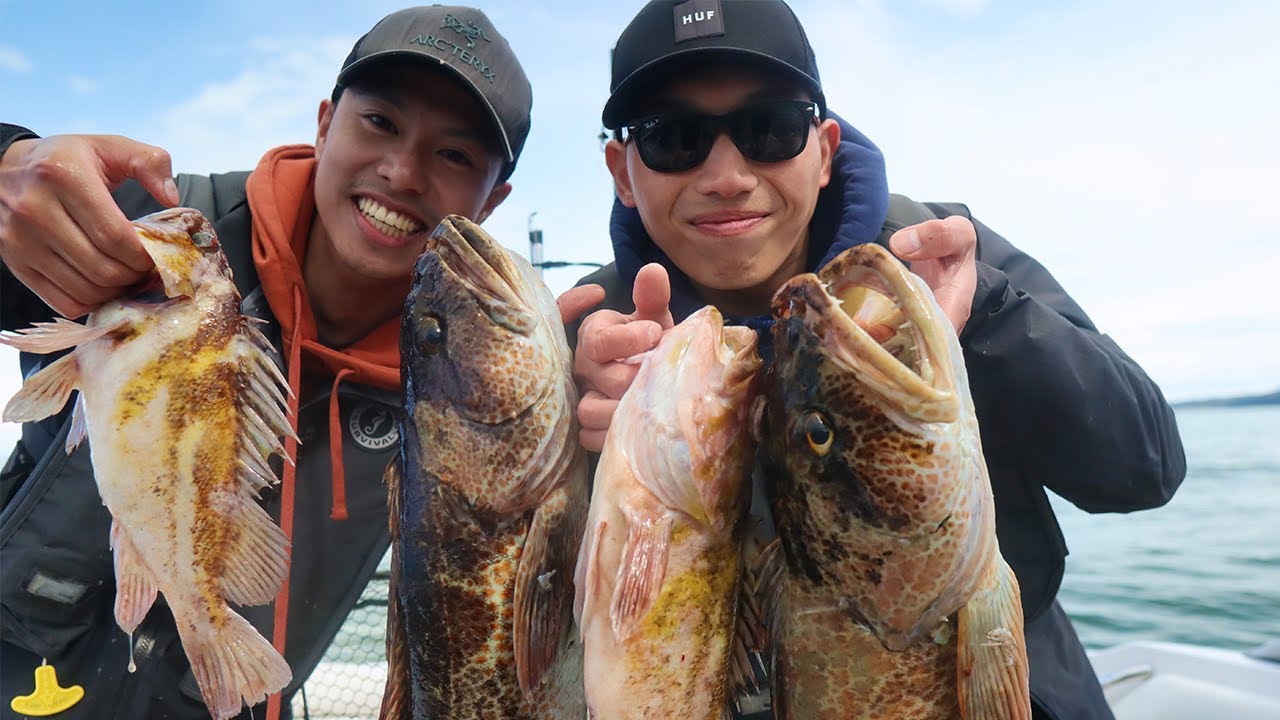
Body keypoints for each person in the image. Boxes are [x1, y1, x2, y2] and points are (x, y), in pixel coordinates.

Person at [568, 2, 1187, 719]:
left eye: (770, 129)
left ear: (824, 149)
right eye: (674, 139)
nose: (727, 175)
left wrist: (989, 318)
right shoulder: (591, 334)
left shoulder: (938, 260)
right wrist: (579, 450)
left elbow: (1144, 468)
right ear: (621, 170)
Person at [0, 7, 596, 719]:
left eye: (456, 156)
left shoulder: (466, 385)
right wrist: (6, 164)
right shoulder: (151, 242)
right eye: (379, 122)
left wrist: (598, 435)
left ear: (492, 201)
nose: (402, 172)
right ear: (323, 123)